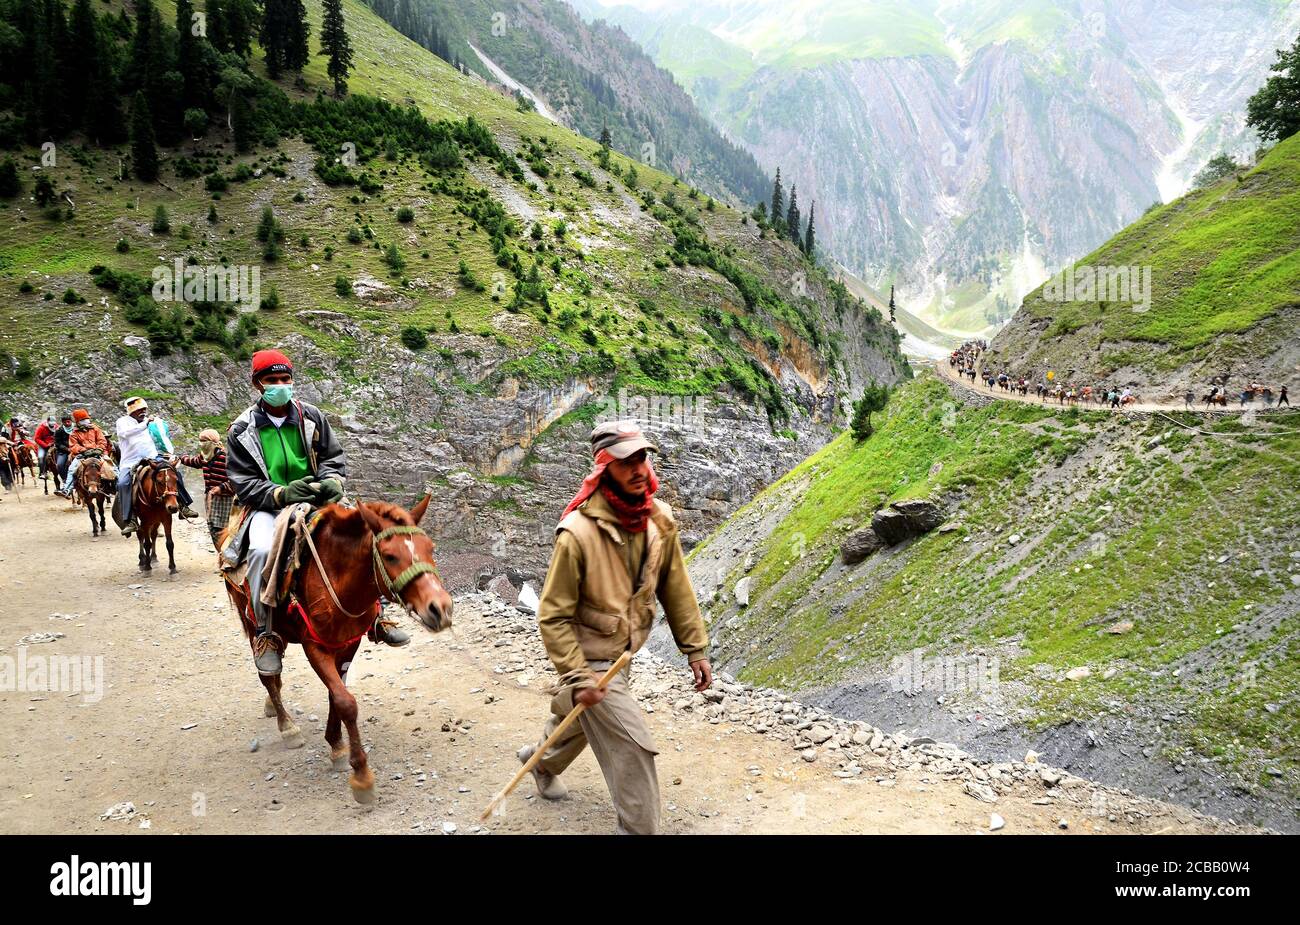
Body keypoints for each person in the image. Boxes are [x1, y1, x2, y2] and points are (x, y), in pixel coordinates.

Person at [521, 420, 712, 835]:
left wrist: (694, 649)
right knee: (631, 743)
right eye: (627, 461)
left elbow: (675, 585)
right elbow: (552, 615)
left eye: (643, 457)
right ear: (605, 467)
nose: (639, 468)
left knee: (580, 719)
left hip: (623, 650)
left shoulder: (659, 519)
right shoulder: (577, 534)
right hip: (588, 653)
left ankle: (539, 760)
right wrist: (577, 674)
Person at [222, 349, 410, 677]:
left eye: (285, 379)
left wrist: (332, 481)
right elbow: (242, 482)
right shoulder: (242, 430)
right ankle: (266, 633)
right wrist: (280, 492)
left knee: (364, 535)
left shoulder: (311, 416)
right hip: (269, 507)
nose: (281, 385)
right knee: (261, 550)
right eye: (272, 380)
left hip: (315, 499)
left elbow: (332, 456)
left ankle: (376, 616)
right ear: (257, 384)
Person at [115, 397, 198, 535]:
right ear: (132, 411)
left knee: (173, 473)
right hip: (130, 461)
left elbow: (160, 438)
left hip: (152, 457)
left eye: (144, 410)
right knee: (123, 483)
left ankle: (184, 506)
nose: (143, 413)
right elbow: (126, 434)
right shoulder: (123, 422)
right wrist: (146, 423)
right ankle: (130, 519)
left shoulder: (149, 422)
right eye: (140, 410)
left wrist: (167, 452)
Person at [178, 428, 236, 549]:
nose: (201, 444)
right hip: (210, 499)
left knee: (224, 528)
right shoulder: (204, 456)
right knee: (212, 526)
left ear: (212, 442)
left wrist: (221, 487)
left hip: (225, 499)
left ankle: (227, 555)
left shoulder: (226, 457)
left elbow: (236, 480)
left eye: (203, 441)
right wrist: (179, 458)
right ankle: (221, 553)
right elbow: (194, 461)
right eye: (200, 441)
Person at [60, 409, 115, 499]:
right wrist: (84, 450)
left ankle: (117, 486)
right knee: (72, 469)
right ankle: (67, 489)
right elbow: (73, 446)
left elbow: (102, 440)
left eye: (87, 419)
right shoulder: (74, 433)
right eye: (83, 420)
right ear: (78, 421)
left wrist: (99, 449)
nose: (86, 421)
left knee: (112, 467)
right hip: (82, 455)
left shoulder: (95, 428)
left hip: (98, 453)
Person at [52, 414, 73, 486]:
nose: (67, 423)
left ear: (71, 421)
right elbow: (57, 443)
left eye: (68, 421)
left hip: (76, 450)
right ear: (62, 423)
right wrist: (67, 449)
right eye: (65, 422)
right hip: (63, 451)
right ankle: (65, 479)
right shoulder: (59, 430)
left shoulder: (76, 429)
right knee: (59, 465)